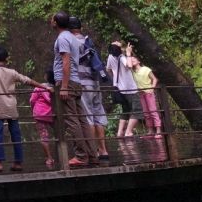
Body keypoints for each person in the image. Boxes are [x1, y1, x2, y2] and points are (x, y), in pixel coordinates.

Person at [0, 45, 42, 173]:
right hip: (11, 107)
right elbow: (27, 80)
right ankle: (18, 162)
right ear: (7, 58)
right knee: (16, 134)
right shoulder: (12, 72)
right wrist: (44, 87)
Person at [52, 12, 96, 167]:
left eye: (52, 19)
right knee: (82, 119)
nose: (51, 21)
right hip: (76, 81)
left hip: (68, 82)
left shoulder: (63, 38)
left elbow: (66, 62)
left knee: (72, 120)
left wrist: (63, 86)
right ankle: (92, 154)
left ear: (56, 22)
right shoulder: (72, 38)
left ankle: (81, 156)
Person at [71, 17, 109, 161]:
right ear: (80, 27)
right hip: (95, 83)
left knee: (88, 118)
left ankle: (92, 152)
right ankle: (103, 151)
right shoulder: (88, 41)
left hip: (83, 84)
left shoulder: (73, 42)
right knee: (98, 115)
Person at [107, 41, 140, 138]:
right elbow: (129, 66)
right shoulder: (121, 57)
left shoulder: (110, 57)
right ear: (118, 48)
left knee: (125, 110)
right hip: (130, 88)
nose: (117, 41)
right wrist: (128, 54)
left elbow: (108, 69)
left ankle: (119, 132)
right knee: (137, 110)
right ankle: (128, 132)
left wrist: (115, 79)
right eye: (116, 42)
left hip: (119, 88)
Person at [129, 55, 163, 138]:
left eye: (134, 59)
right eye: (131, 60)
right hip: (141, 93)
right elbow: (129, 65)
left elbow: (154, 79)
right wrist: (128, 54)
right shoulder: (133, 71)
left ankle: (158, 131)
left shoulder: (146, 69)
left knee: (153, 111)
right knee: (146, 113)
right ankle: (150, 131)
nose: (132, 60)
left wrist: (152, 88)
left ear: (138, 61)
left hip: (148, 92)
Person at [30, 70, 57, 167]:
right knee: (59, 133)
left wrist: (33, 110)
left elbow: (32, 100)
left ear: (46, 76)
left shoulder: (39, 87)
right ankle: (61, 154)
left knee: (44, 136)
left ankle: (49, 158)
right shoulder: (56, 89)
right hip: (52, 114)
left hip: (40, 114)